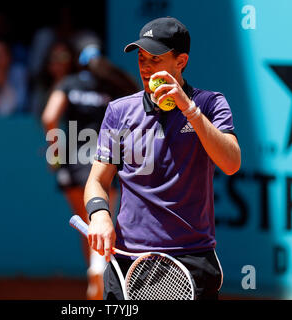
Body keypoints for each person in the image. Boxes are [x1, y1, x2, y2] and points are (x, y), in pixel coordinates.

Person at [84, 17, 241, 300]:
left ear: (181, 61)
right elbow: (97, 179)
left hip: (191, 261)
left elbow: (231, 164)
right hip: (128, 262)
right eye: (141, 57)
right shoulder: (119, 111)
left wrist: (188, 109)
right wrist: (99, 216)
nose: (145, 66)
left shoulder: (210, 104)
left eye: (155, 58)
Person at [42, 42, 138, 300]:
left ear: (79, 64)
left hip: (73, 168)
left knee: (89, 226)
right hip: (104, 167)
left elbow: (49, 117)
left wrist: (57, 154)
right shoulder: (114, 88)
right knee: (100, 225)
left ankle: (94, 272)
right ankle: (98, 270)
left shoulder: (69, 83)